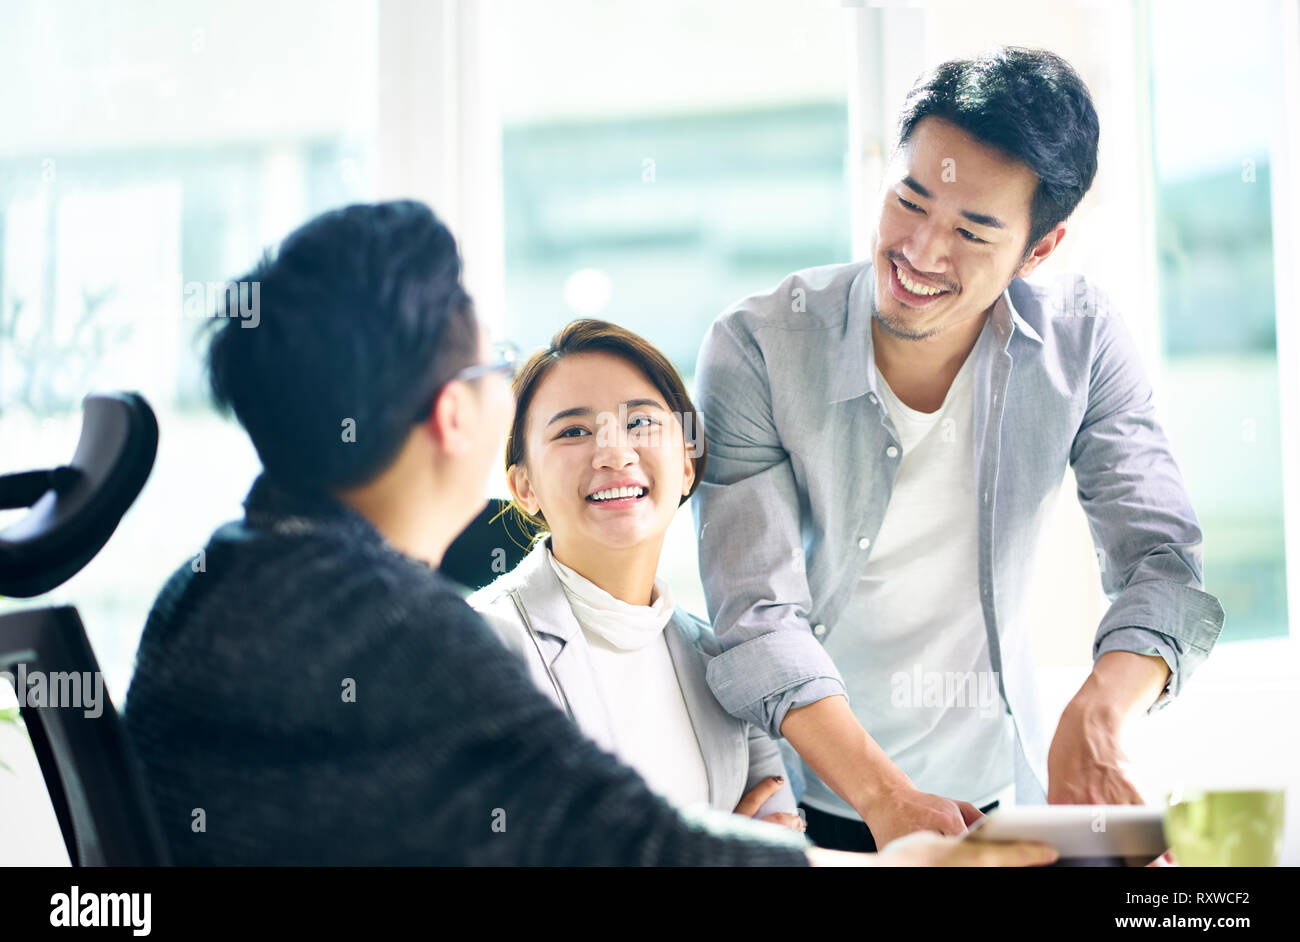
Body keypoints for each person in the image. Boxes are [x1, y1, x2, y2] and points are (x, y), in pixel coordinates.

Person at [122, 199, 1055, 866]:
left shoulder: (221, 588)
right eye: (497, 367)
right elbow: (623, 847)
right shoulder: (385, 628)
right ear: (457, 419)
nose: (612, 450)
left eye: (643, 423)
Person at [691, 47, 1225, 852]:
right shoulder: (760, 346)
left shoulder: (1079, 344)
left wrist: (1101, 712)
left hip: (996, 790)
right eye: (909, 202)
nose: (920, 252)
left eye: (973, 231)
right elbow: (759, 618)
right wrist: (887, 797)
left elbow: (1163, 562)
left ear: (1038, 252)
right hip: (802, 800)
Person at [470, 320, 801, 833]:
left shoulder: (721, 659)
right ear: (524, 487)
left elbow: (779, 836)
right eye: (573, 431)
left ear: (688, 465)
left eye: (642, 423)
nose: (615, 453)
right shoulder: (477, 647)